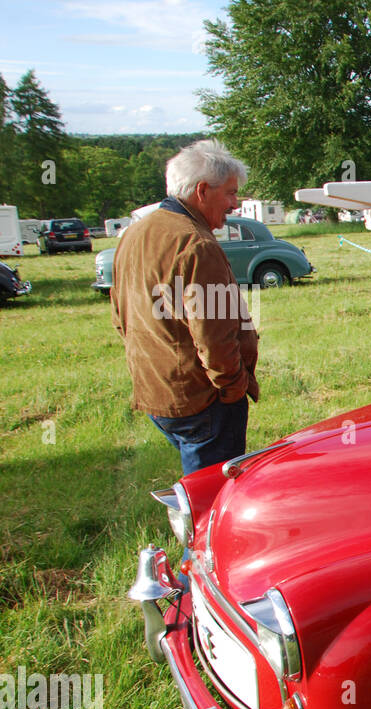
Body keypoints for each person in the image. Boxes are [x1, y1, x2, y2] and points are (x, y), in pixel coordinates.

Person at [111, 139, 258, 476]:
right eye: (231, 193)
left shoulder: (134, 233)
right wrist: (233, 390)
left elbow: (121, 318)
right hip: (203, 401)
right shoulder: (197, 245)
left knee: (198, 488)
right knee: (211, 496)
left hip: (157, 391)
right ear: (203, 190)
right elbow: (215, 337)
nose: (235, 204)